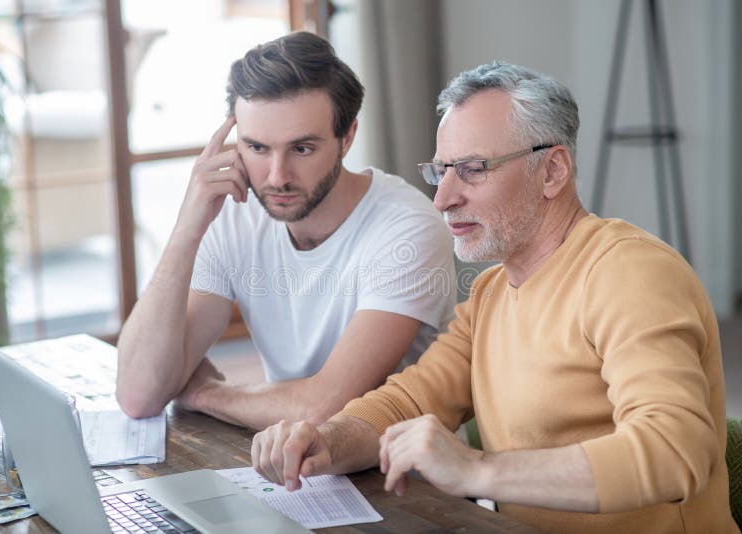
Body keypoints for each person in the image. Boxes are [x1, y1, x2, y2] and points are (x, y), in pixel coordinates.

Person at [250, 61, 739, 533]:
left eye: (472, 168)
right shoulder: (490, 292)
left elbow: (676, 452)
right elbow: (411, 399)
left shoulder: (629, 274)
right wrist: (326, 440)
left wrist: (477, 470)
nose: (443, 198)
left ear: (551, 171)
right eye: (441, 172)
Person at [115, 32, 456, 431]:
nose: (277, 177)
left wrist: (206, 394)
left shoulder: (406, 228)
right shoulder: (232, 215)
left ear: (347, 137)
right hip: (288, 465)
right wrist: (186, 230)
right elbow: (139, 395)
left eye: (302, 149)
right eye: (257, 148)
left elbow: (325, 409)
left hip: (402, 480)